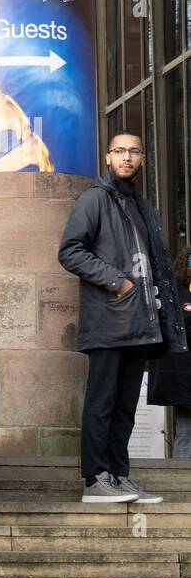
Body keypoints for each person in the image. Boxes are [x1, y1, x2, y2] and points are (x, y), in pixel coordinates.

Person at [58, 132, 186, 503]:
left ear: (143, 158)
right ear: (108, 157)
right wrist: (117, 282)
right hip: (109, 320)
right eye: (120, 151)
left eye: (134, 151)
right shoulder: (95, 199)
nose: (127, 157)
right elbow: (70, 251)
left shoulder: (143, 207)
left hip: (141, 323)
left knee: (126, 406)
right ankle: (96, 477)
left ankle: (117, 473)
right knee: (102, 403)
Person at [146, 245, 191, 457]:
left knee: (186, 428)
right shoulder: (176, 292)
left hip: (182, 377)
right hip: (182, 375)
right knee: (186, 428)